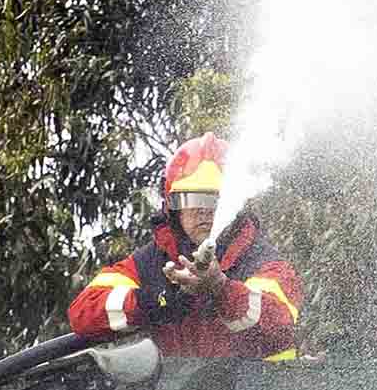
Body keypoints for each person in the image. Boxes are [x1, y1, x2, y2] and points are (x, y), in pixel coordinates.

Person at [67, 132, 304, 358]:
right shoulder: (149, 263)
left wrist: (221, 287)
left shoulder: (265, 264)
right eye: (191, 198)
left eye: (214, 199)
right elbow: (83, 313)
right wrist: (161, 299)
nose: (203, 210)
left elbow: (278, 324)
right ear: (172, 207)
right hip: (173, 389)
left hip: (261, 387)